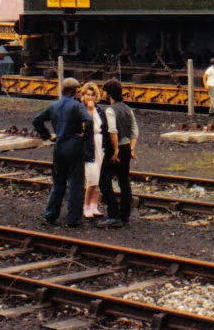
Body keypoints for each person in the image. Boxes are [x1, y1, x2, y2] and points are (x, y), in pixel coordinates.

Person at [32, 77, 92, 227]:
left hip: (59, 146)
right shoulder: (77, 106)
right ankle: (73, 219)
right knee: (75, 184)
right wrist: (85, 136)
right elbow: (89, 121)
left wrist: (47, 135)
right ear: (75, 91)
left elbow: (37, 120)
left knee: (58, 182)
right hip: (74, 146)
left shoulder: (54, 106)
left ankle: (51, 214)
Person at [97, 79, 139, 228]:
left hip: (115, 149)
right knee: (124, 181)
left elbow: (113, 131)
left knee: (104, 180)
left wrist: (115, 150)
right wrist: (132, 148)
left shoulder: (110, 110)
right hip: (127, 147)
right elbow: (134, 130)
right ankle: (125, 215)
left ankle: (113, 215)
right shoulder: (127, 108)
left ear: (108, 93)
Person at [80, 82, 106, 218]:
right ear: (83, 96)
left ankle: (94, 205)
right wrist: (89, 111)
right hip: (89, 144)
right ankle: (86, 206)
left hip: (99, 143)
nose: (90, 98)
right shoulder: (82, 110)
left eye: (92, 95)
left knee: (99, 177)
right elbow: (85, 128)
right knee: (91, 178)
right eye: (87, 95)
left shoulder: (100, 110)